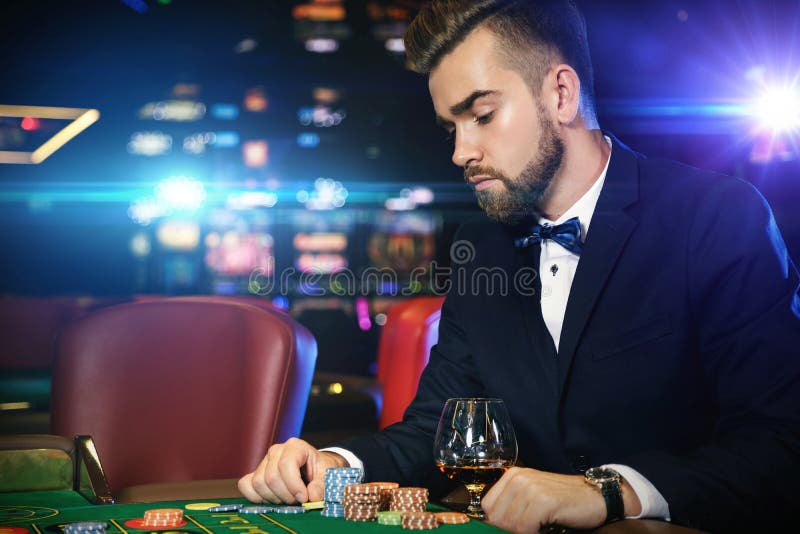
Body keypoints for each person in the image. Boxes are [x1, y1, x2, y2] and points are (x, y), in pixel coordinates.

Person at [238, 1, 800, 531]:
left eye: (482, 115)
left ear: (560, 93)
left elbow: (780, 445)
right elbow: (434, 432)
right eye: (451, 127)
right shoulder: (480, 246)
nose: (461, 152)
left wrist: (609, 491)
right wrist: (335, 463)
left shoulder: (715, 216)